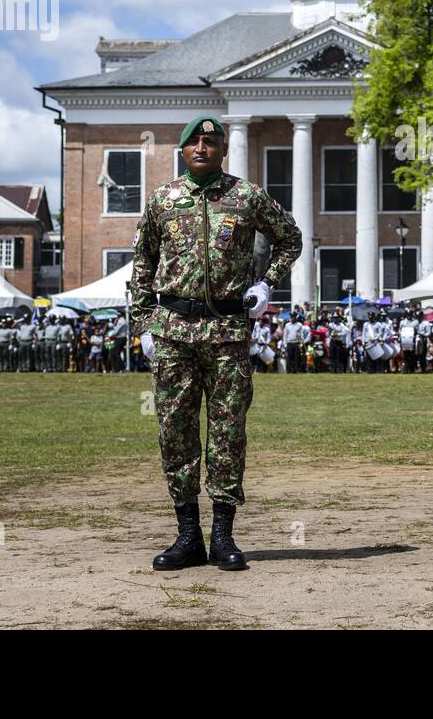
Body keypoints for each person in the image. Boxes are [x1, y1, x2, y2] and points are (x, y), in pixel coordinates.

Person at [131, 114, 301, 573]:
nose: (202, 148)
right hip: (173, 334)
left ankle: (223, 535)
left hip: (227, 333)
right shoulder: (163, 200)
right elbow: (142, 265)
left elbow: (290, 239)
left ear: (223, 150)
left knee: (227, 433)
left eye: (211, 142)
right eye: (194, 142)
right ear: (182, 151)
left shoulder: (245, 197)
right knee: (176, 433)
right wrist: (144, 324)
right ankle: (187, 535)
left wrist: (267, 284)